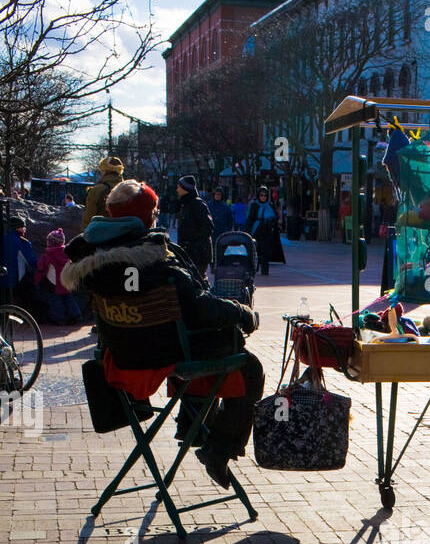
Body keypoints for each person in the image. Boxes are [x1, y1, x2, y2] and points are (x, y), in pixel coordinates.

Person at [62, 179, 264, 490]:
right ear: (144, 217)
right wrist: (242, 313)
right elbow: (200, 306)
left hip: (121, 355)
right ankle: (217, 448)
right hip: (167, 358)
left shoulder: (91, 259)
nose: (157, 216)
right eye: (154, 211)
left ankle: (193, 427)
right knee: (249, 366)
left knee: (202, 342)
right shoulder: (156, 258)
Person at [34, 228, 81, 324]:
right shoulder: (67, 253)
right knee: (69, 298)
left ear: (51, 242)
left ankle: (59, 318)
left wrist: (37, 279)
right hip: (67, 281)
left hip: (53, 283)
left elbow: (41, 268)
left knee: (55, 300)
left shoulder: (47, 255)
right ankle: (75, 315)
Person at [175, 175, 214, 278]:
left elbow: (208, 228)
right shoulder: (185, 204)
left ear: (185, 189)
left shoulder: (198, 204)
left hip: (198, 254)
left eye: (179, 187)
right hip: (189, 253)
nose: (177, 189)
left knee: (198, 281)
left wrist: (193, 243)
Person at [1, 216, 38, 308]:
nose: (25, 230)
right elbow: (31, 261)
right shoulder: (23, 243)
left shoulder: (3, 238)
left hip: (2, 278)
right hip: (16, 279)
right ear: (18, 228)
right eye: (23, 227)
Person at [246, 185, 281, 275]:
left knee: (266, 251)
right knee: (257, 250)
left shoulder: (270, 205)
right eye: (261, 195)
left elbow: (276, 217)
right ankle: (255, 267)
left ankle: (265, 269)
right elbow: (250, 219)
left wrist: (272, 221)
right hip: (257, 230)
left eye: (265, 195)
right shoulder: (254, 205)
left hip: (267, 231)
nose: (263, 197)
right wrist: (248, 231)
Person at [82, 157, 125, 227]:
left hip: (101, 234)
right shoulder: (129, 190)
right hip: (126, 234)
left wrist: (84, 235)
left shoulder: (97, 190)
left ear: (104, 171)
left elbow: (89, 218)